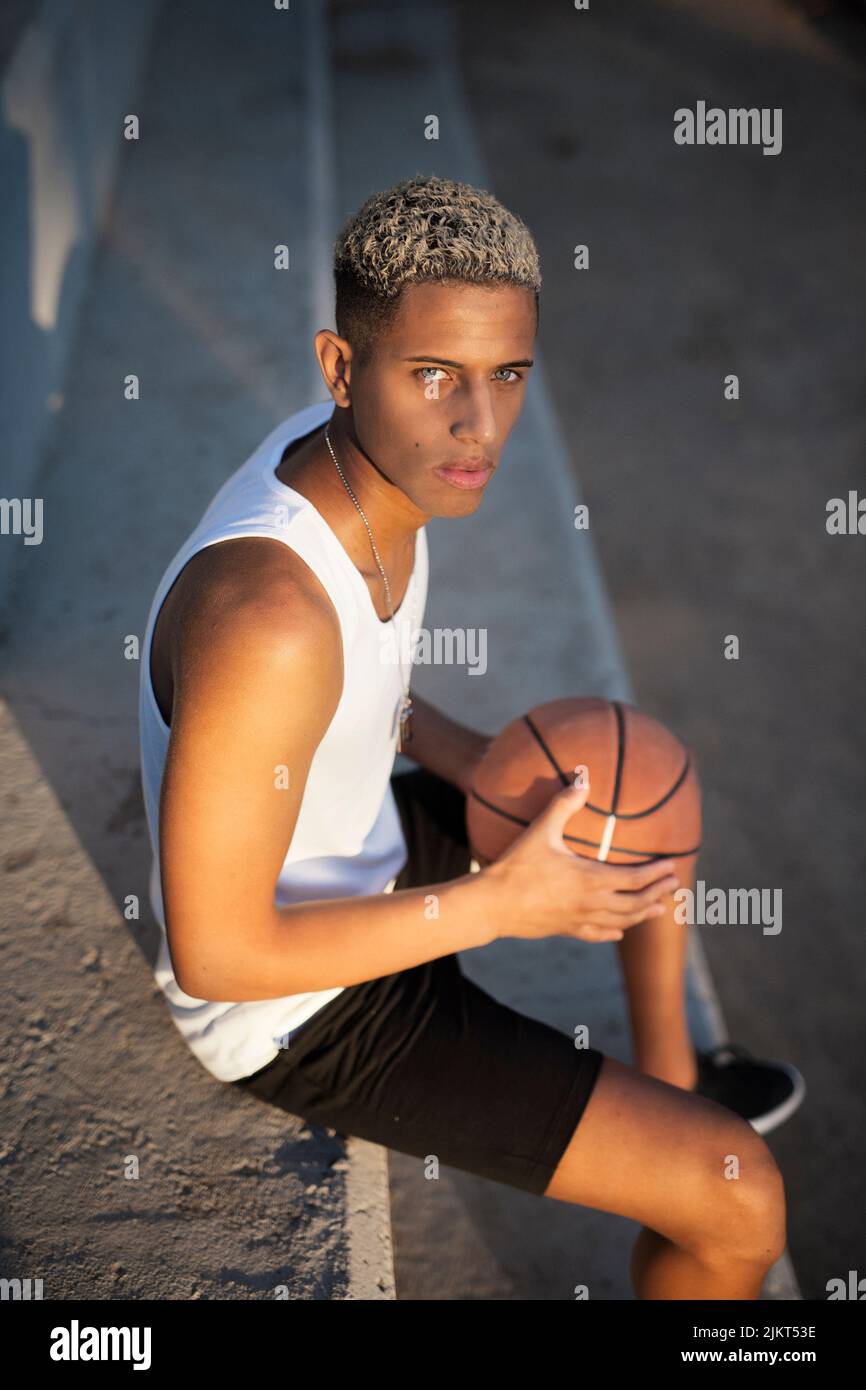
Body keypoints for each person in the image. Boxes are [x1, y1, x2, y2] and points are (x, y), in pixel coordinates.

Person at [138, 172, 803, 1298]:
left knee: (631, 777)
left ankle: (674, 1077)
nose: (479, 426)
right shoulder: (268, 620)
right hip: (300, 1003)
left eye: (507, 376)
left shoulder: (370, 463)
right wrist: (499, 906)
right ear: (340, 367)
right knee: (740, 1197)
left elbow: (366, 691)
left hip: (367, 847)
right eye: (435, 375)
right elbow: (217, 955)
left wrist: (473, 762)